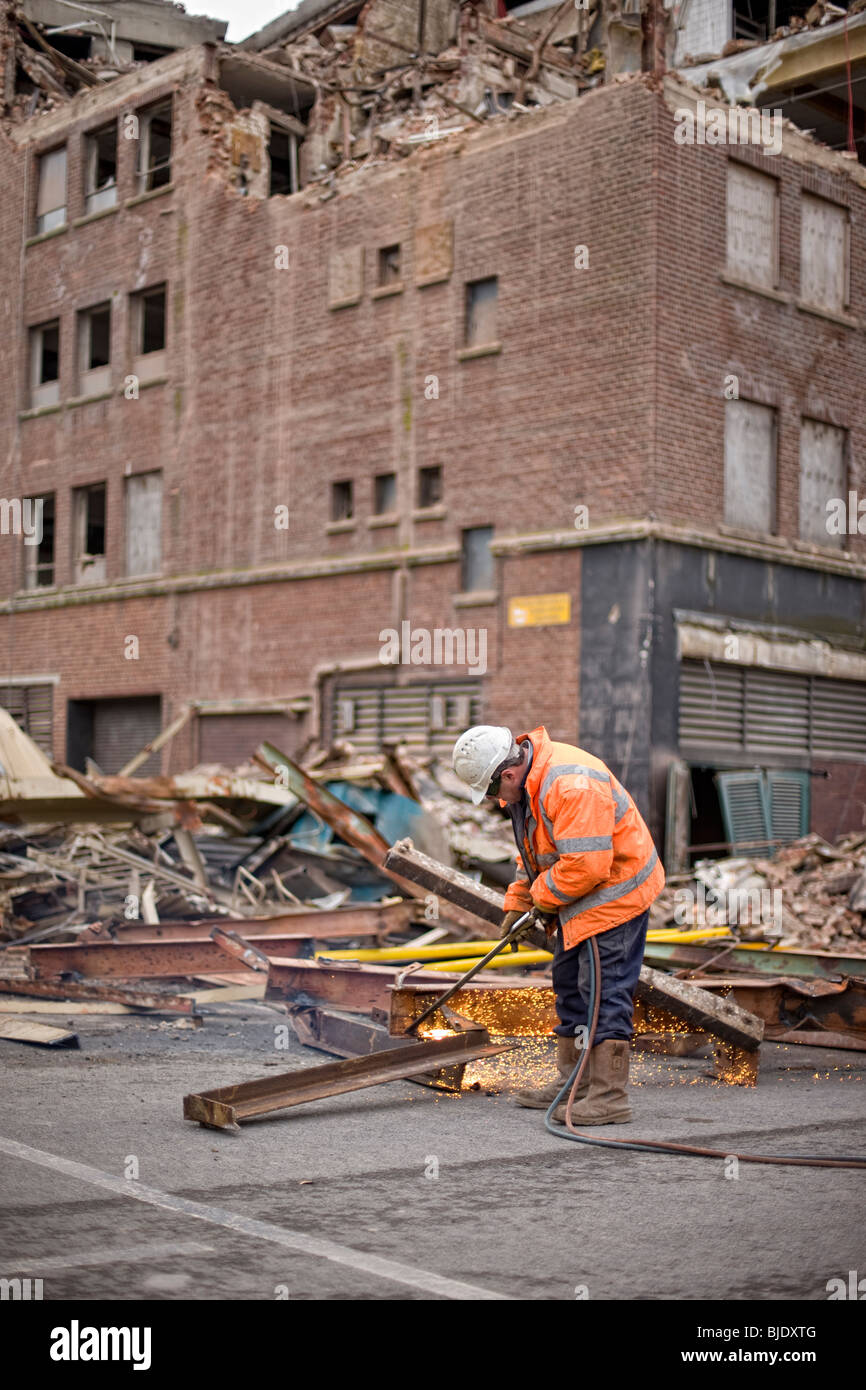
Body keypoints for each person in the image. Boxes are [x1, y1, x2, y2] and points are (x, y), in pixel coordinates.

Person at [451, 724, 665, 1125]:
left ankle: (609, 1097)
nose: (494, 801)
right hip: (578, 897)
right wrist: (516, 903)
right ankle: (574, 1082)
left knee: (603, 992)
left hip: (614, 896)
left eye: (493, 792)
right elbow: (536, 854)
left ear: (508, 774)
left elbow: (587, 866)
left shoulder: (571, 785)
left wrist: (540, 902)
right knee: (570, 984)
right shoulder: (527, 786)